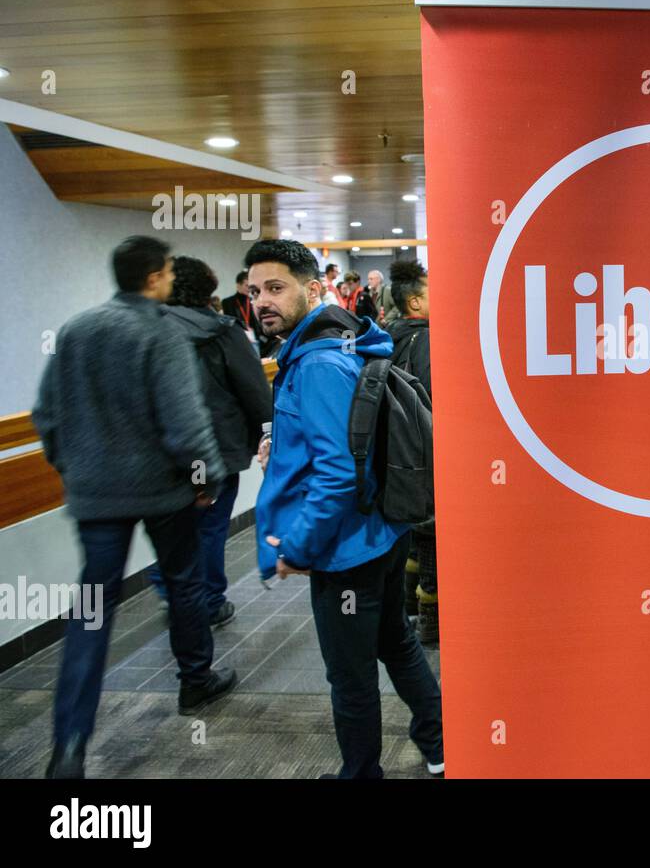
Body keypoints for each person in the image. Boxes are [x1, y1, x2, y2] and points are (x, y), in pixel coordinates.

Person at [33, 236, 237, 778]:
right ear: (153, 277)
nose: (171, 280)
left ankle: (70, 744)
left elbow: (46, 414)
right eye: (168, 272)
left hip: (95, 495)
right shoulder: (161, 332)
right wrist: (207, 478)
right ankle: (196, 682)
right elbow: (185, 423)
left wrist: (72, 467)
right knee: (186, 582)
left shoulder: (76, 329)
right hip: (162, 493)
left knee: (91, 614)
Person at [246, 239, 443, 778]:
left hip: (345, 549)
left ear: (313, 290)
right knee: (396, 644)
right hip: (380, 530)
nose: (262, 300)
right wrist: (282, 449)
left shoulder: (317, 364)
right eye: (255, 290)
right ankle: (439, 742)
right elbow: (344, 441)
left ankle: (361, 773)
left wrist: (298, 547)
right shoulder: (347, 343)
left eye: (276, 288)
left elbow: (336, 475)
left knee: (350, 679)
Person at [144, 256, 273, 628]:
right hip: (216, 451)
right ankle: (209, 601)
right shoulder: (222, 331)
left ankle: (171, 587)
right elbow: (253, 390)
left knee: (174, 527)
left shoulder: (148, 331)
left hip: (163, 453)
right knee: (211, 527)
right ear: (207, 290)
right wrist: (269, 432)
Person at [384, 260, 438, 645]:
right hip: (428, 455)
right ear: (415, 302)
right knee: (434, 536)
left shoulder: (387, 338)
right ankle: (433, 622)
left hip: (398, 459)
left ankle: (407, 604)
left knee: (415, 535)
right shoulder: (430, 342)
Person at [222, 270, 266, 354]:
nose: (249, 289)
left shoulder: (253, 300)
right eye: (246, 286)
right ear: (238, 285)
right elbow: (231, 322)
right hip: (239, 339)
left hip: (255, 339)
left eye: (250, 286)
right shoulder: (227, 302)